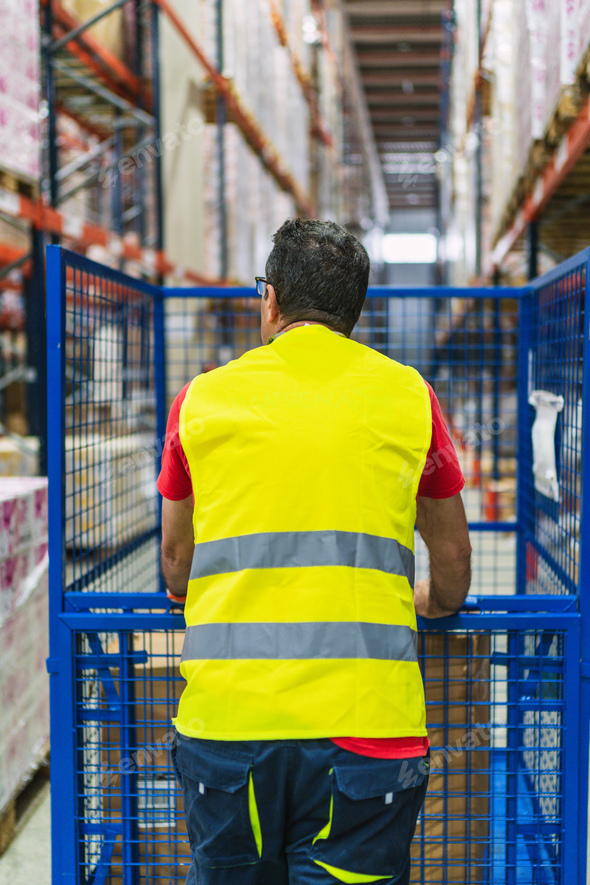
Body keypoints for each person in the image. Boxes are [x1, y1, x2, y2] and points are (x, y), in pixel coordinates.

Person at [157, 218, 472, 885]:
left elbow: (177, 566)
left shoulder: (199, 402)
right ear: (356, 313)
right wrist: (427, 600)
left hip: (228, 731)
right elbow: (451, 568)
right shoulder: (411, 399)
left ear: (269, 300)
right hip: (367, 736)